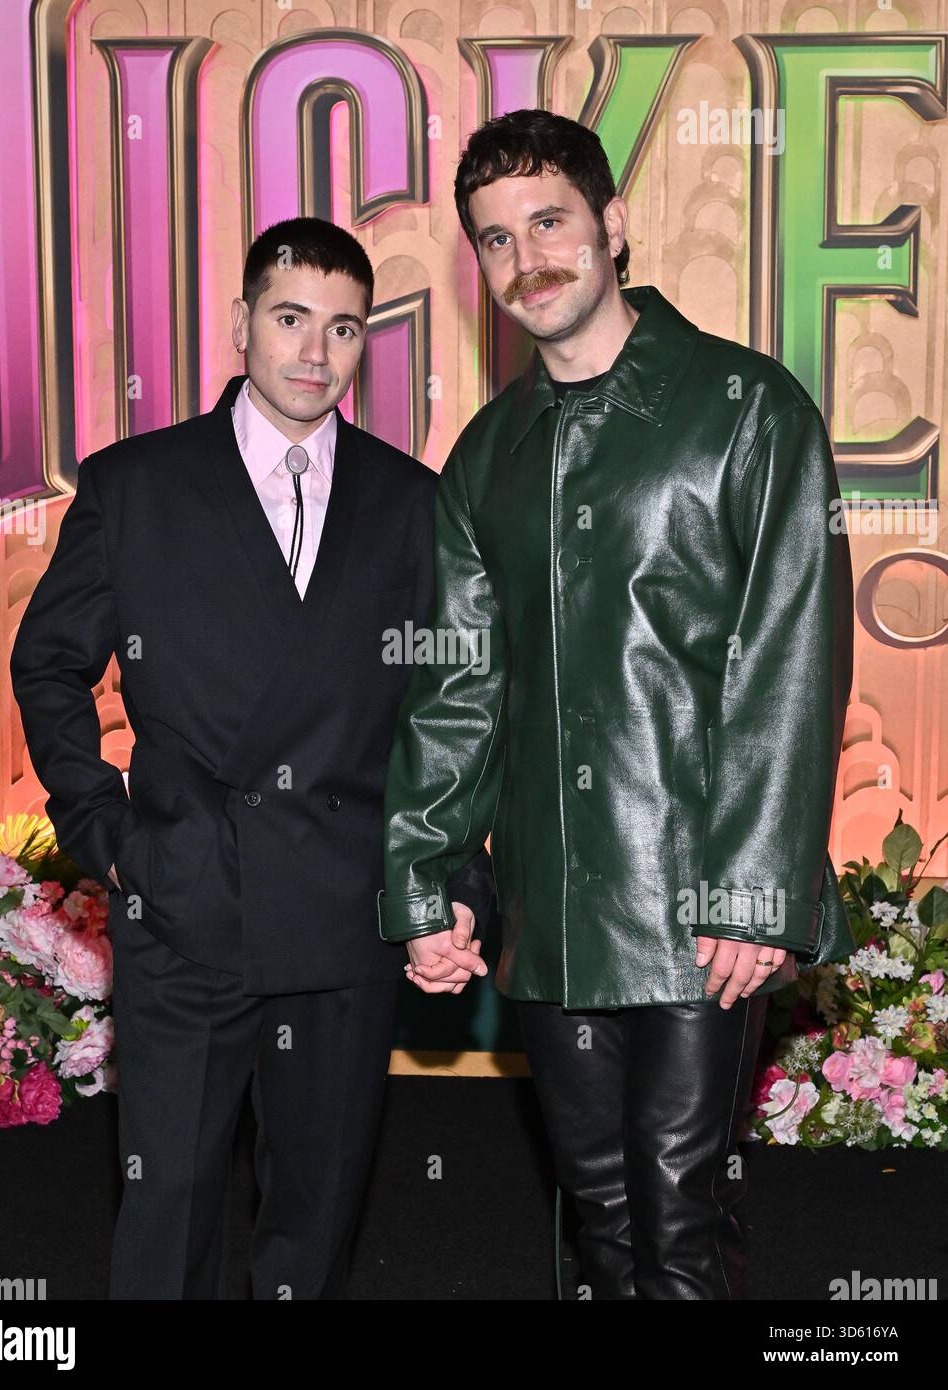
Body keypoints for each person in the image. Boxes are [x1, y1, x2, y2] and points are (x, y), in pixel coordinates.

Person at [378, 109, 855, 1300]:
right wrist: (426, 882)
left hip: (702, 904)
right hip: (552, 904)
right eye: (494, 240)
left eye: (548, 222)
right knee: (596, 1216)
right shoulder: (485, 457)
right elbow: (456, 687)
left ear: (614, 227)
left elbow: (786, 658)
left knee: (678, 1210)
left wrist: (755, 891)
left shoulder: (748, 409)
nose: (525, 258)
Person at [10, 216, 493, 1299]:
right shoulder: (135, 484)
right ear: (240, 325)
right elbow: (48, 664)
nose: (314, 352)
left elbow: (446, 713)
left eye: (343, 327)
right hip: (183, 903)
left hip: (346, 913)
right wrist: (111, 837)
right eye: (289, 318)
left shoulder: (414, 502)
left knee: (313, 1227)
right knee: (166, 1217)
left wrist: (454, 882)